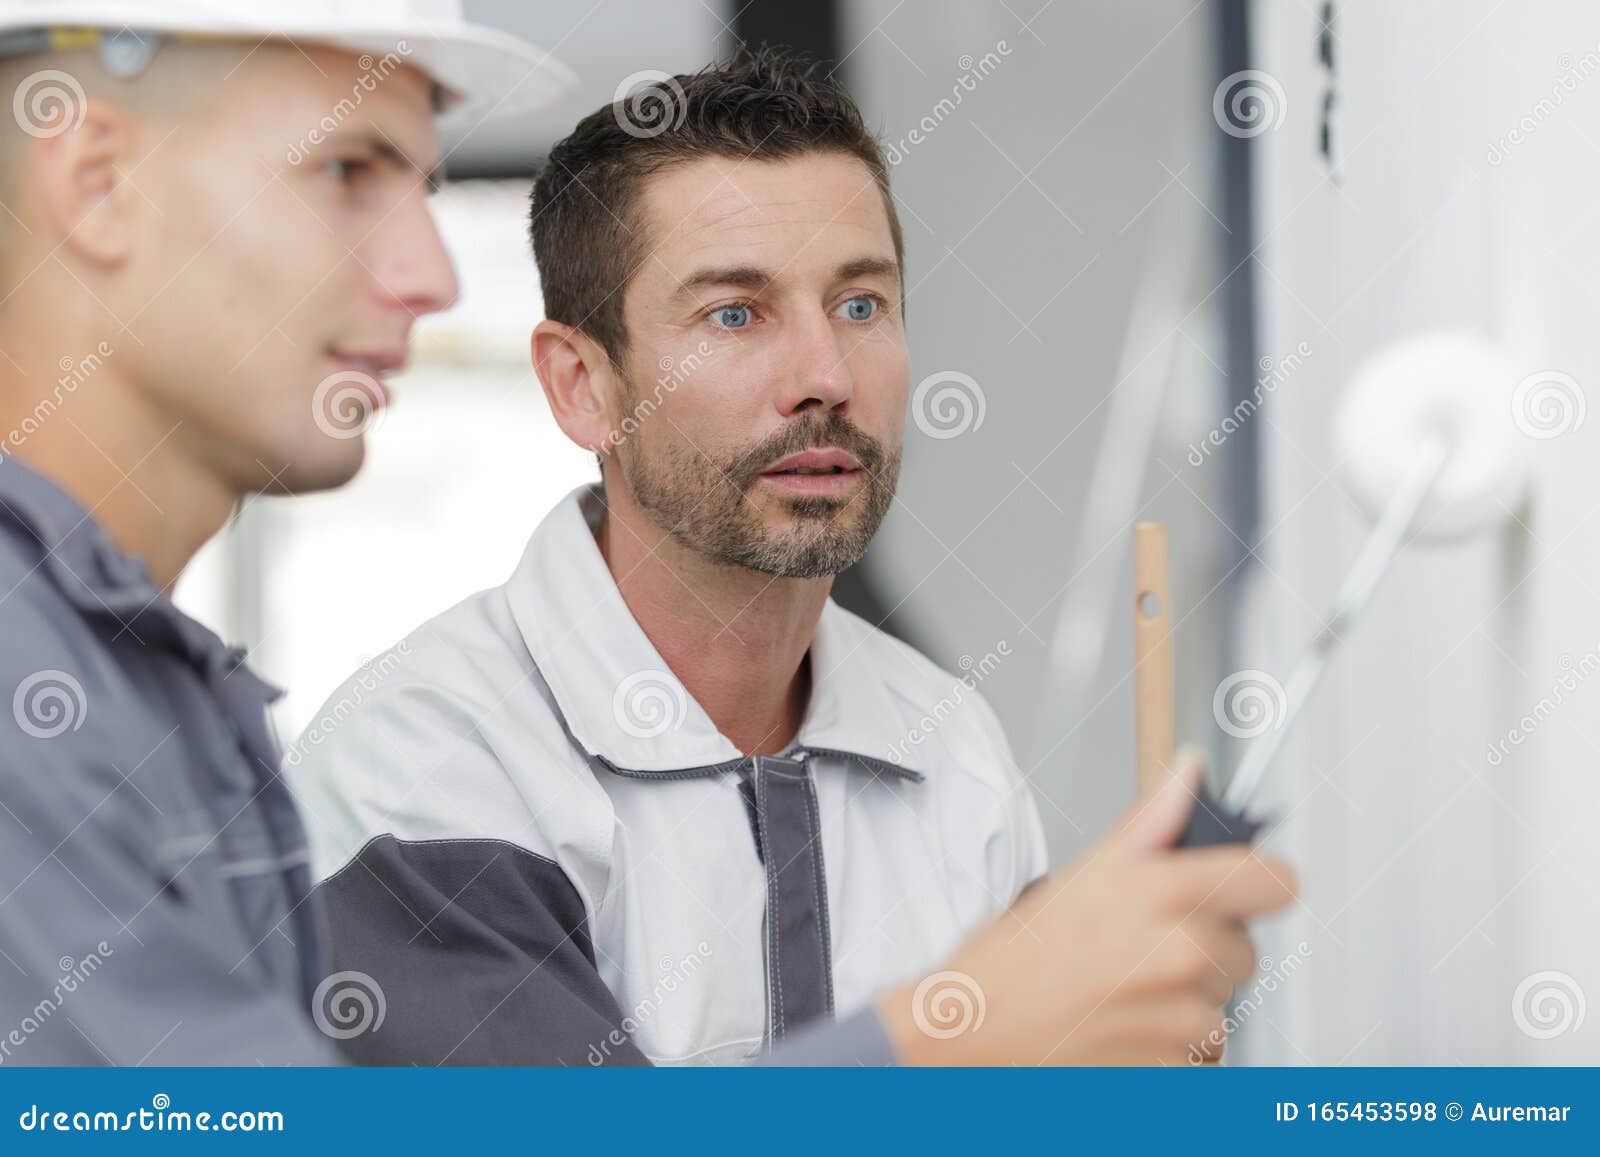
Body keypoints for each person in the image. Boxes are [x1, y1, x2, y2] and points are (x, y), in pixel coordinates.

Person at [285, 49, 1298, 1067]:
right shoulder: (419, 765)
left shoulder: (948, 749)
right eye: (736, 313)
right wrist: (971, 1040)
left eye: (860, 305)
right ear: (582, 385)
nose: (824, 376)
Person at [0, 1, 574, 1064]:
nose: (431, 276)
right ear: (96, 181)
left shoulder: (148, 679)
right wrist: (924, 1046)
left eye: (426, 186)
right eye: (350, 170)